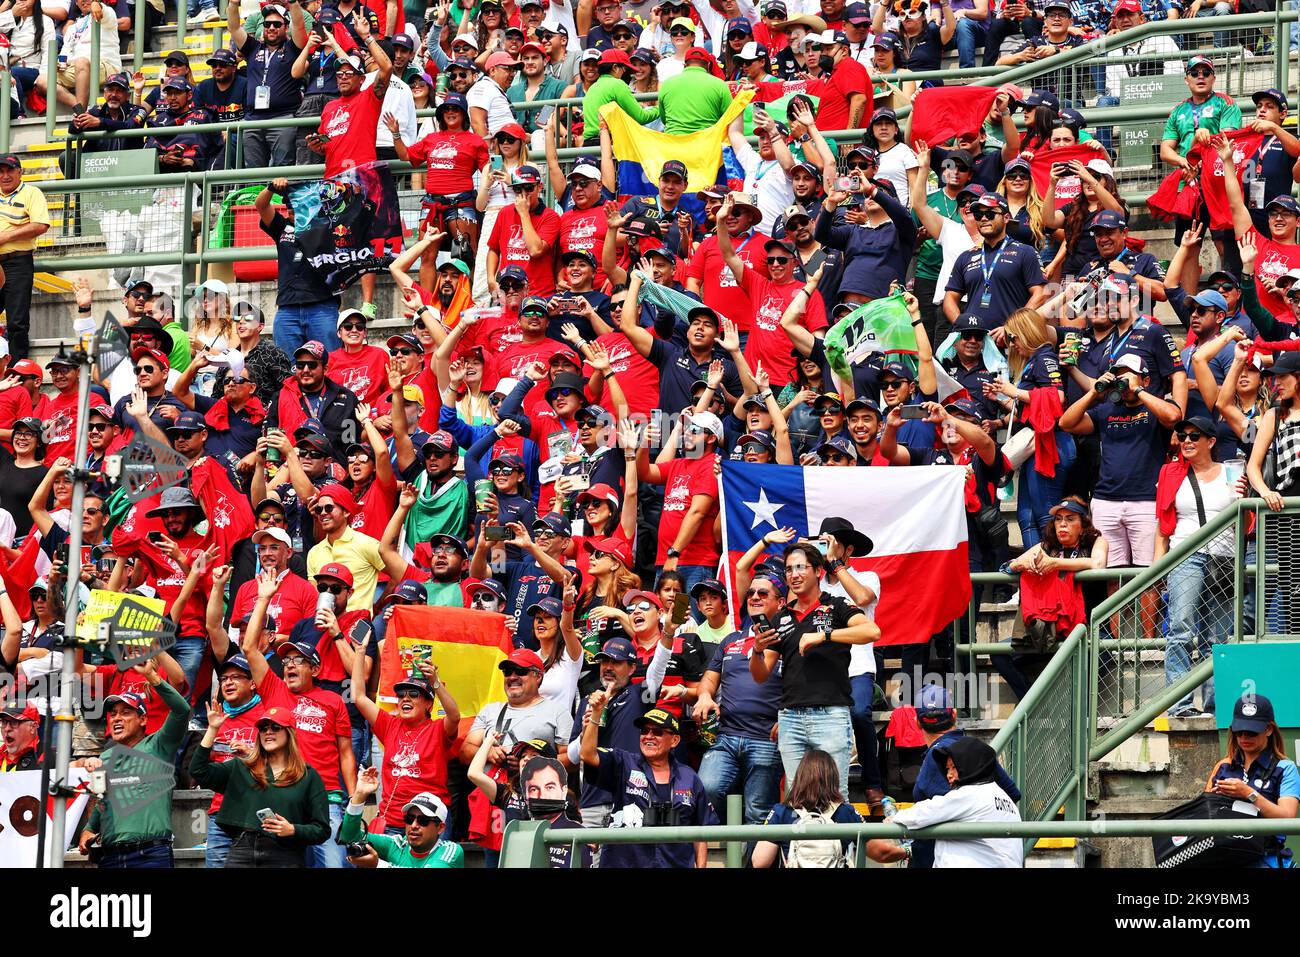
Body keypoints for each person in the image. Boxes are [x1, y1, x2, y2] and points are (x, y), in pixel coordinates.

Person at [746, 537, 879, 796]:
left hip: (831, 715)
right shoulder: (780, 617)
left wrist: (824, 636)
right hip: (790, 718)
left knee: (835, 796)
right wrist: (757, 650)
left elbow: (872, 631)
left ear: (818, 571)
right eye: (788, 569)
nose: (793, 575)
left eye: (800, 568)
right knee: (797, 797)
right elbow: (760, 674)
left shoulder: (836, 606)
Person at [1157, 416, 1241, 717]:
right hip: (1186, 555)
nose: (1187, 441)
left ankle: (1214, 705)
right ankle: (1180, 706)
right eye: (1183, 435)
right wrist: (1159, 565)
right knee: (1180, 629)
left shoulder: (1232, 472)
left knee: (1216, 638)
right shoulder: (1170, 472)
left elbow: (1245, 522)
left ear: (1211, 441)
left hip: (1225, 558)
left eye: (1195, 436)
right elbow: (1163, 525)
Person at [75, 659, 191, 868]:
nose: (117, 718)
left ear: (143, 719)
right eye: (113, 714)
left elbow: (182, 710)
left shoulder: (158, 745)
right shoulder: (106, 757)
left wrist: (152, 677)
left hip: (151, 854)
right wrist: (89, 828)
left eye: (126, 712)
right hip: (110, 856)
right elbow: (103, 800)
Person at [190, 703, 331, 867]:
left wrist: (292, 829)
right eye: (263, 728)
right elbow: (198, 770)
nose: (268, 732)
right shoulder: (242, 767)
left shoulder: (307, 775)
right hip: (243, 849)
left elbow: (322, 829)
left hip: (285, 853)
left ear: (289, 733)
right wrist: (213, 729)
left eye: (276, 727)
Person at [693, 571, 784, 824]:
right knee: (707, 788)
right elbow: (710, 679)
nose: (754, 597)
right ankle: (734, 837)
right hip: (726, 736)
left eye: (763, 593)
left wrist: (787, 715)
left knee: (757, 812)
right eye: (751, 593)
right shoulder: (730, 639)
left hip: (766, 738)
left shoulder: (788, 638)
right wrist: (704, 696)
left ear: (781, 603)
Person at [579, 706, 716, 867]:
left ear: (674, 740)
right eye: (644, 731)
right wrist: (596, 715)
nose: (648, 736)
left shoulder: (690, 777)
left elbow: (700, 833)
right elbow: (587, 755)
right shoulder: (623, 763)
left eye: (657, 732)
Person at [350, 637, 460, 833]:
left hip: (429, 823)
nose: (405, 699)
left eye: (413, 694)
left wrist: (434, 682)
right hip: (392, 822)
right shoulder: (389, 725)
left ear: (428, 704)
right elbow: (358, 696)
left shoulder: (437, 729)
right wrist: (360, 651)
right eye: (401, 695)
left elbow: (454, 715)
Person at [908, 685, 1022, 868]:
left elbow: (937, 811)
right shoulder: (974, 749)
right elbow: (1012, 794)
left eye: (952, 768)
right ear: (954, 714)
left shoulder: (936, 756)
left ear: (917, 722)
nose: (950, 773)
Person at [753, 749, 907, 867]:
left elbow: (760, 861)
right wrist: (908, 851)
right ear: (833, 778)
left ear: (799, 777)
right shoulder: (846, 812)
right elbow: (881, 853)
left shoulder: (781, 812)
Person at [893, 736, 1023, 867]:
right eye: (947, 769)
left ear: (970, 765)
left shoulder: (972, 793)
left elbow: (921, 814)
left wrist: (893, 818)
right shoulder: (1003, 797)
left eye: (953, 767)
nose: (948, 774)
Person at [1205, 694, 1298, 868]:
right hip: (1224, 858)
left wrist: (1248, 793)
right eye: (1239, 731)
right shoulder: (1223, 766)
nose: (1244, 737)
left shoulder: (1286, 768)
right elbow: (1204, 813)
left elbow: (1288, 818)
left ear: (1269, 730)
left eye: (1252, 731)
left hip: (1268, 859)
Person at [1247, 352, 1300, 635]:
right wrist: (1266, 492)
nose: (1277, 382)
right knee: (1293, 588)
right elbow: (1253, 466)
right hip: (1287, 508)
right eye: (1275, 377)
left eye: (1283, 376)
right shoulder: (1274, 414)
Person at [229, 0, 309, 169]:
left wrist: (293, 4)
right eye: (267, 24)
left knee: (282, 171)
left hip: (283, 119)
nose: (271, 27)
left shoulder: (292, 48)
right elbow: (235, 28)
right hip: (252, 120)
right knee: (253, 173)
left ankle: (279, 197)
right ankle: (255, 196)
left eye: (277, 24)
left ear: (286, 27)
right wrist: (233, 4)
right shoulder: (253, 48)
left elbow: (300, 26)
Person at [340, 767, 464, 867]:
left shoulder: (451, 850)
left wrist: (378, 864)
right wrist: (359, 796)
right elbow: (350, 836)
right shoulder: (397, 844)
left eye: (423, 821)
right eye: (409, 819)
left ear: (441, 828)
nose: (414, 825)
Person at [0, 153, 50, 361]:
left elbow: (41, 225)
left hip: (17, 262)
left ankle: (18, 373)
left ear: (20, 172)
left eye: (9, 170)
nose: (4, 176)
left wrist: (5, 237)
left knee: (17, 322)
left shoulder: (31, 192)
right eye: (0, 171)